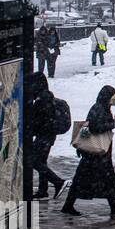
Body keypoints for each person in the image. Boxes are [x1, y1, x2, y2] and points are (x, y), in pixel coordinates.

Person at [61, 85, 115, 216]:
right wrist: (114, 124)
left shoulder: (101, 107)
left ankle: (113, 205)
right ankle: (68, 206)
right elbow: (95, 127)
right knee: (94, 178)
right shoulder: (98, 108)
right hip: (94, 152)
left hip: (97, 152)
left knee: (101, 178)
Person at [26, 72, 67, 200]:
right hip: (48, 136)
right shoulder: (46, 96)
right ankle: (43, 191)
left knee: (33, 161)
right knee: (41, 161)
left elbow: (39, 121)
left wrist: (30, 130)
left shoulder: (42, 100)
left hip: (44, 136)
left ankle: (58, 182)